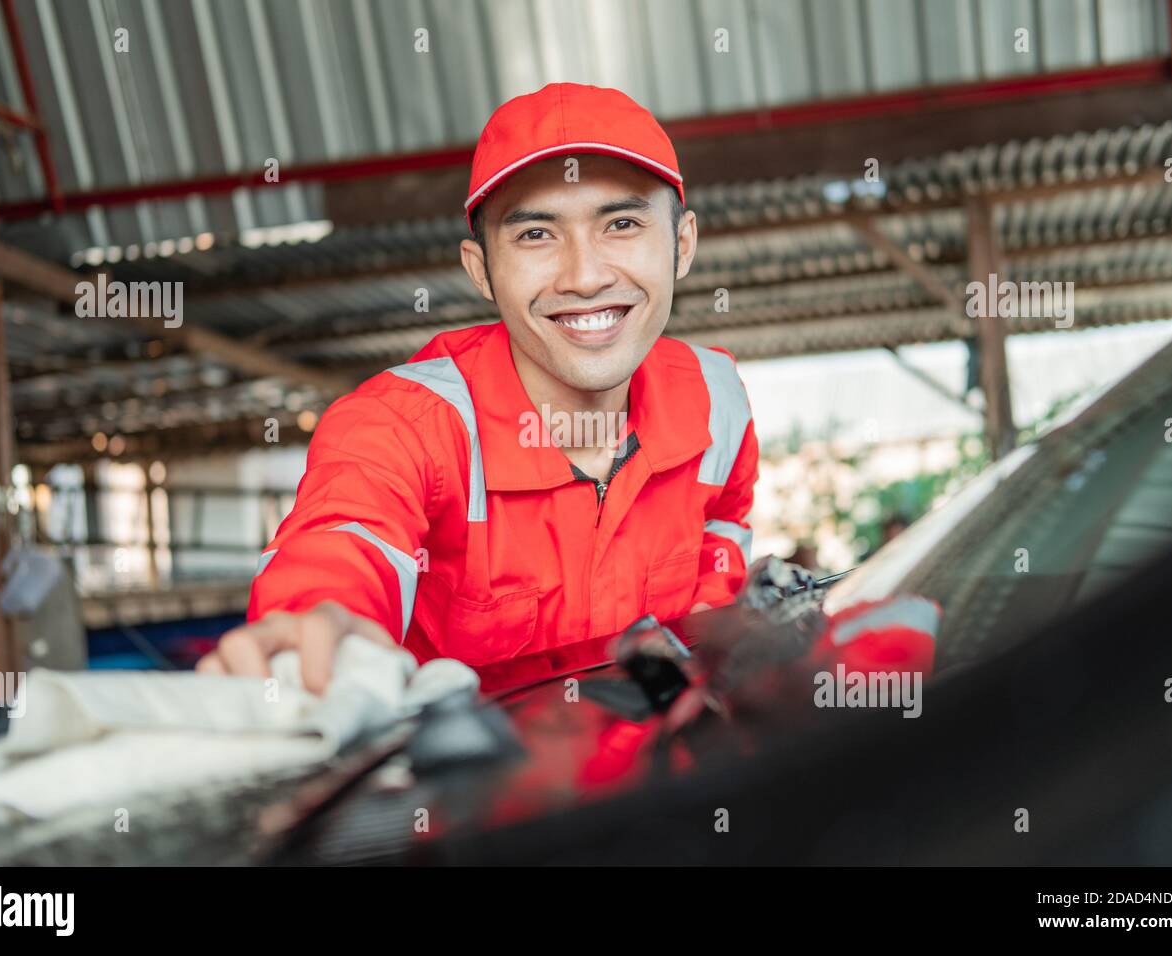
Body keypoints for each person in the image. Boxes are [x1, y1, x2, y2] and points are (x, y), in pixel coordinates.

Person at [197, 83, 759, 693]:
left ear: (681, 245)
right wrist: (321, 615)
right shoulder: (402, 425)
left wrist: (704, 630)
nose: (585, 276)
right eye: (536, 234)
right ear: (480, 269)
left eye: (621, 223)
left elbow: (722, 523)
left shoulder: (717, 396)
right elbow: (344, 535)